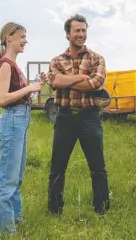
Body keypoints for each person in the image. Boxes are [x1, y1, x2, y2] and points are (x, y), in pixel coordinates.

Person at [46, 14, 111, 216]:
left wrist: (67, 80)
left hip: (89, 117)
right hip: (65, 117)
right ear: (68, 34)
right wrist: (81, 77)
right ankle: (55, 210)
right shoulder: (56, 60)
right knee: (57, 166)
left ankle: (101, 209)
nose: (81, 34)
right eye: (77, 31)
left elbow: (96, 83)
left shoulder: (96, 58)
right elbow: (54, 82)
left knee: (97, 166)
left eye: (84, 30)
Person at [0, 22, 45, 235]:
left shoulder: (14, 65)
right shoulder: (4, 64)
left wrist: (33, 87)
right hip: (13, 121)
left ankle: (16, 219)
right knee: (8, 178)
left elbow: (19, 97)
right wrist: (29, 88)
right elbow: (2, 99)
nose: (25, 41)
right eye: (21, 36)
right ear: (8, 37)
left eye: (25, 37)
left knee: (17, 175)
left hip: (19, 120)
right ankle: (6, 231)